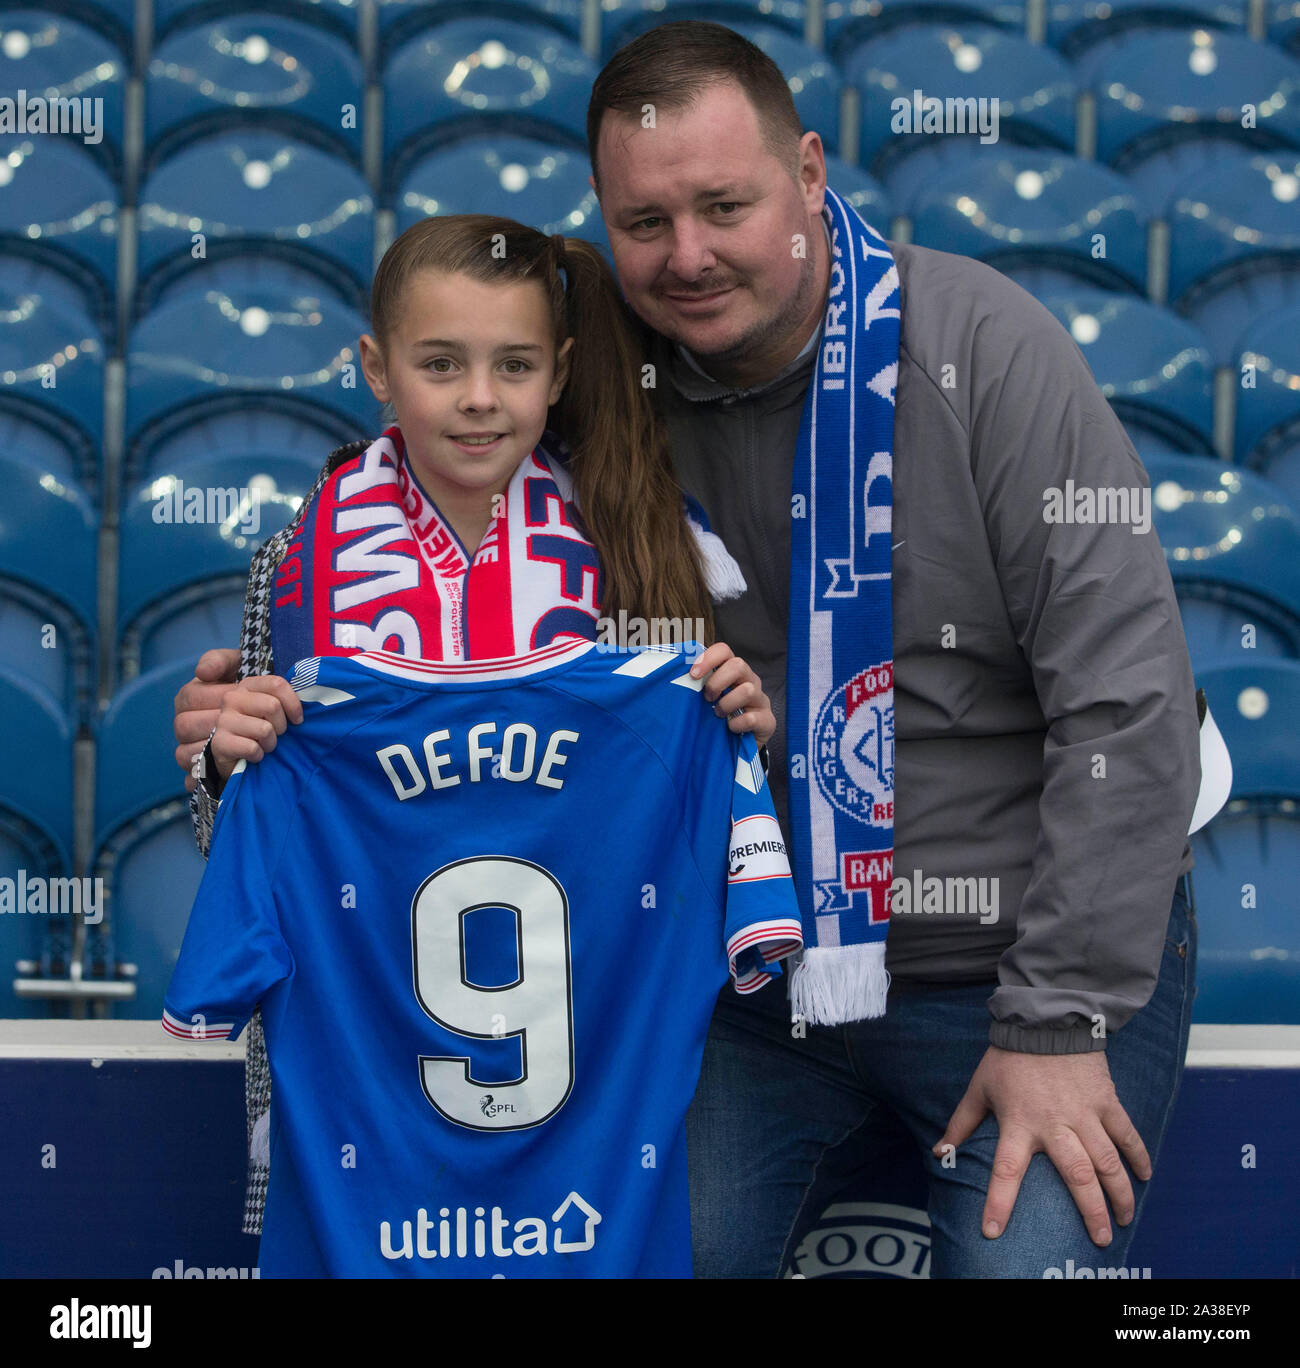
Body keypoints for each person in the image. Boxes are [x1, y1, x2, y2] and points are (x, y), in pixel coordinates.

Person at [176, 23, 1202, 1277]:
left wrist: (1054, 1022)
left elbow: (1128, 707)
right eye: (646, 223)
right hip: (742, 981)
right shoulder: (589, 382)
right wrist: (256, 728)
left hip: (1008, 961)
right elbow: (422, 526)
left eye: (726, 205)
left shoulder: (985, 351)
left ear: (810, 175)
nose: (689, 256)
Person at [171, 210, 776, 1237]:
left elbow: (677, 841)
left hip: (585, 1094)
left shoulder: (633, 547)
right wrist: (219, 765)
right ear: (375, 366)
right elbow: (253, 844)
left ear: (561, 369)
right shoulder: (293, 561)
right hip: (354, 1089)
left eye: (514, 364)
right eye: (441, 363)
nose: (480, 399)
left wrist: (732, 721)